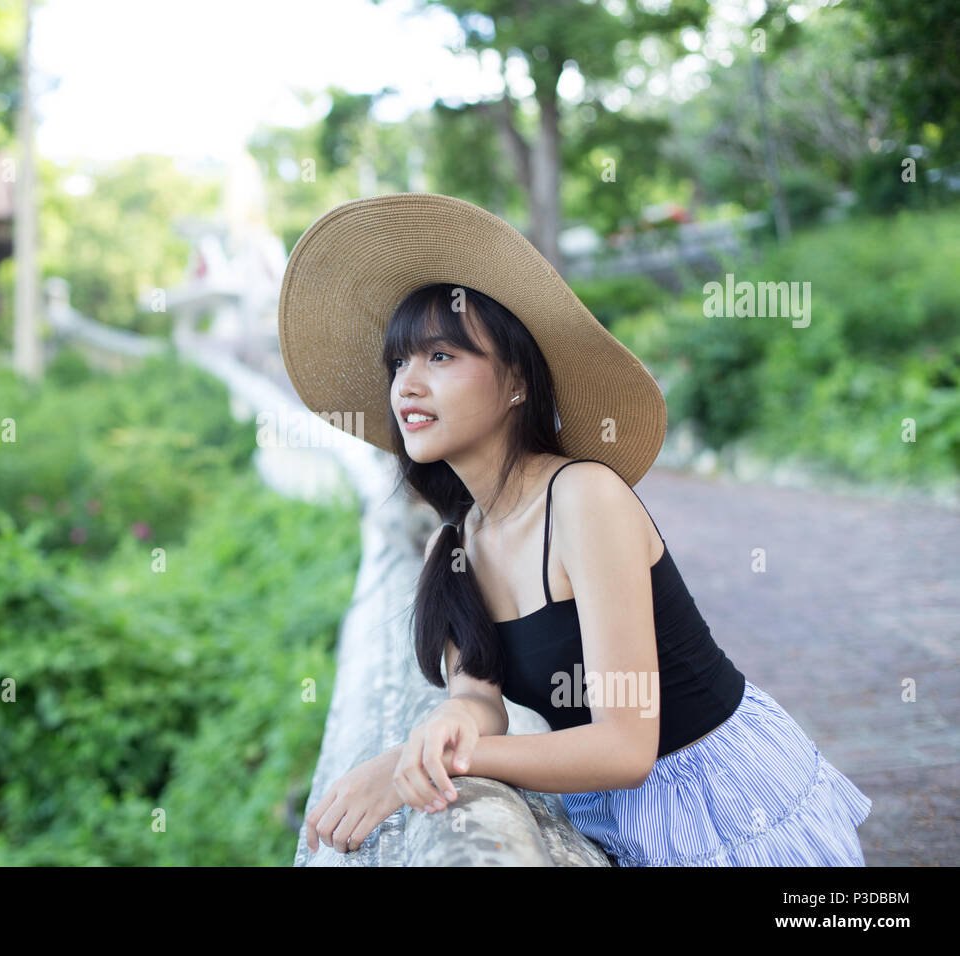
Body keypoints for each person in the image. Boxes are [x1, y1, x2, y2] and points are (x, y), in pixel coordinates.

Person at [281, 193, 872, 865]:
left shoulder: (584, 498)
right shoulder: (455, 549)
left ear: (515, 382)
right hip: (606, 818)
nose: (407, 385)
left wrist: (406, 774)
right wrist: (443, 728)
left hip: (721, 804)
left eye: (440, 357)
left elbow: (625, 747)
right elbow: (478, 699)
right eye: (398, 364)